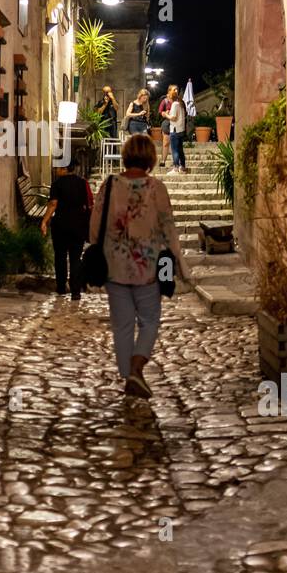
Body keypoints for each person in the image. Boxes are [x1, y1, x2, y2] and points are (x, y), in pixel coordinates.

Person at [90, 134, 189, 398]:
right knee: (149, 321)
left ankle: (129, 376)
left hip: (114, 268)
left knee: (122, 325)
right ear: (150, 158)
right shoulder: (156, 189)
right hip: (148, 268)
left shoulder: (109, 185)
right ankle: (136, 369)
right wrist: (179, 264)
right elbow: (169, 230)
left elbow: (93, 228)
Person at [40, 164, 92, 300]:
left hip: (61, 225)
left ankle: (61, 288)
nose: (56, 170)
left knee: (60, 256)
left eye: (58, 168)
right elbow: (88, 204)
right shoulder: (82, 183)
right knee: (76, 258)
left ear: (64, 169)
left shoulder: (57, 184)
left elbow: (53, 204)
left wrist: (44, 221)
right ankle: (76, 291)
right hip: (78, 225)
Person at [165, 84, 187, 174]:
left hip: (175, 130)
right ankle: (182, 167)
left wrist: (166, 114)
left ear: (171, 97)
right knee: (180, 149)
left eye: (169, 97)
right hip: (181, 129)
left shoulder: (174, 104)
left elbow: (173, 117)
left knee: (175, 150)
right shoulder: (181, 103)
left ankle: (175, 168)